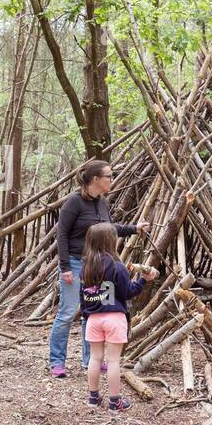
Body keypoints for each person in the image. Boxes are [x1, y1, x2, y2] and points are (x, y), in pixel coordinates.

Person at [48, 160, 149, 377]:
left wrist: (133, 229)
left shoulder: (102, 203)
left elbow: (108, 230)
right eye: (109, 176)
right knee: (67, 313)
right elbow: (62, 235)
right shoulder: (73, 203)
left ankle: (89, 360)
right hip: (74, 263)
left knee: (92, 313)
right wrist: (64, 266)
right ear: (96, 179)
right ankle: (57, 362)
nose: (111, 180)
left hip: (96, 265)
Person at [79, 223, 156, 411]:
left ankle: (93, 397)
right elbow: (128, 292)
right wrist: (143, 281)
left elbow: (83, 296)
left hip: (93, 319)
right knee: (113, 361)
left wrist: (86, 315)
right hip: (114, 318)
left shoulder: (85, 268)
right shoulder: (117, 267)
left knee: (95, 359)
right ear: (111, 242)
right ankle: (115, 401)